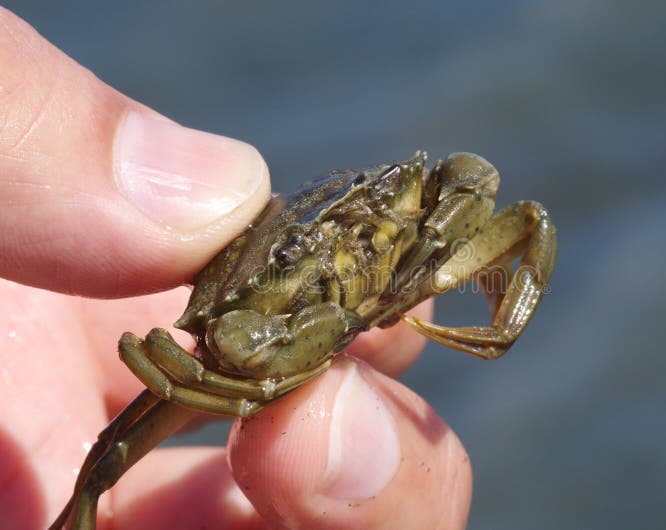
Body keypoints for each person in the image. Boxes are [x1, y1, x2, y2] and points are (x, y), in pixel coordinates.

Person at [0, 7, 471, 529]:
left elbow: (489, 192)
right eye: (297, 257)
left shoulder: (407, 212)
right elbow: (226, 339)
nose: (352, 248)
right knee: (103, 463)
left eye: (384, 201)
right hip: (241, 342)